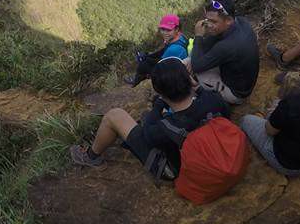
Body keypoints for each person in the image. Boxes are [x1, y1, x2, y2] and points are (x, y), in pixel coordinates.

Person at [70, 58, 230, 177]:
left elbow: (147, 131)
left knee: (115, 115)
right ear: (189, 80)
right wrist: (197, 87)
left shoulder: (164, 127)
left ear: (160, 93)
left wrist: (159, 104)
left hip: (174, 169)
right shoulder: (214, 100)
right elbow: (220, 108)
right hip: (215, 157)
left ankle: (91, 157)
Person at [187, 0, 260, 105]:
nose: (208, 25)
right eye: (207, 20)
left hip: (235, 93)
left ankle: (204, 98)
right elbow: (209, 43)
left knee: (197, 73)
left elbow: (196, 66)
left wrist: (198, 36)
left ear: (228, 20)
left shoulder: (227, 46)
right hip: (241, 80)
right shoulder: (241, 22)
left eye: (213, 21)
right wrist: (193, 58)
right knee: (193, 57)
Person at [123, 14, 189, 86]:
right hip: (177, 68)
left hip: (175, 78)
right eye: (163, 29)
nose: (164, 33)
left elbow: (160, 65)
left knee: (144, 64)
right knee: (147, 58)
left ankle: (137, 79)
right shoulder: (180, 37)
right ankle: (138, 77)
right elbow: (162, 53)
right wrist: (148, 55)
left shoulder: (174, 49)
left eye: (168, 30)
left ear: (177, 29)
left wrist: (145, 62)